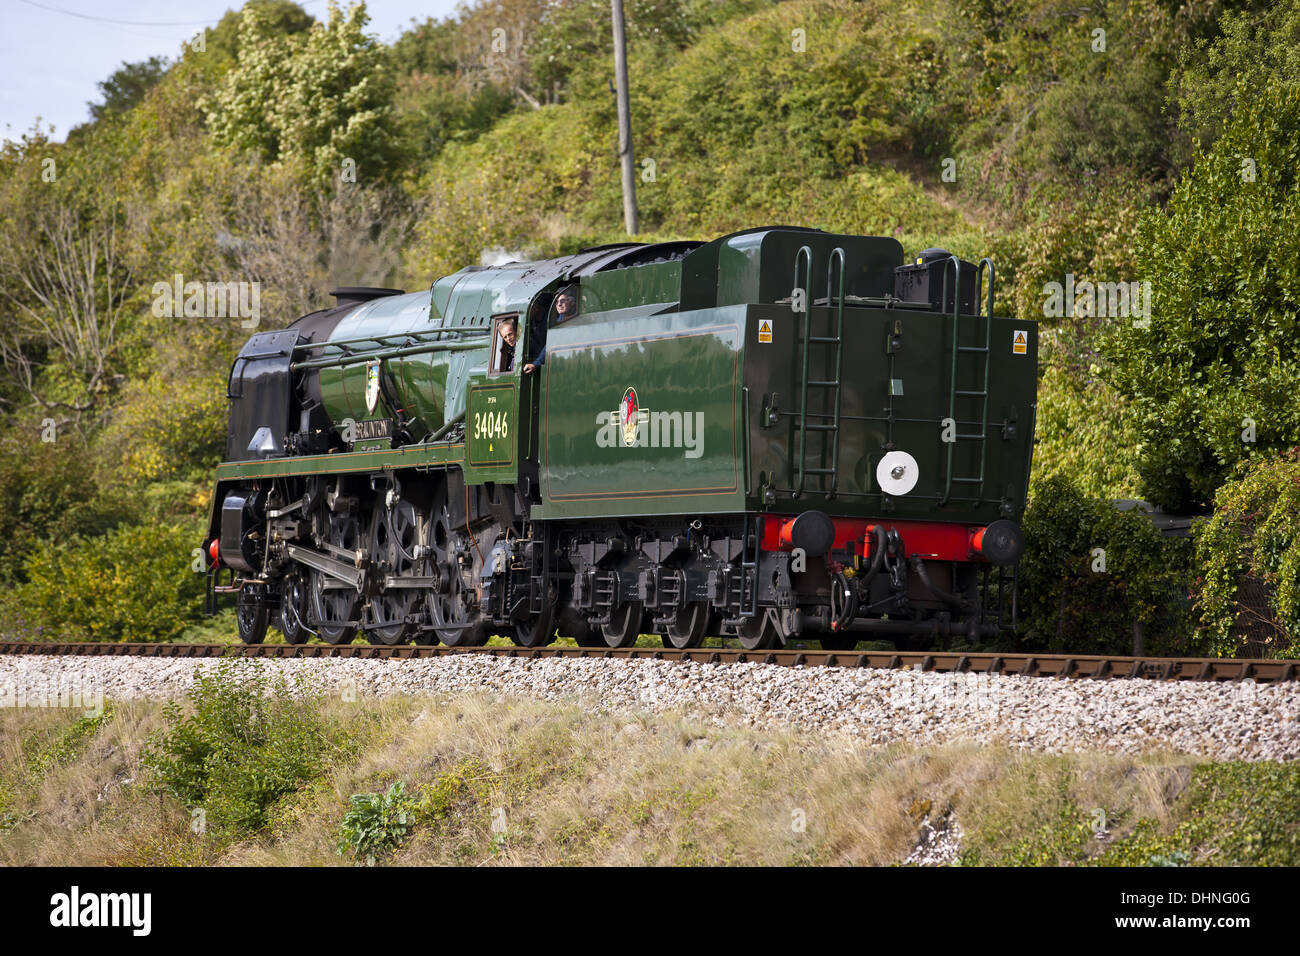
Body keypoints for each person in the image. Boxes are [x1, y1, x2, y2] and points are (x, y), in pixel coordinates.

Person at [523, 288, 577, 374]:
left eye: (562, 301)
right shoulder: (558, 321)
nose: (559, 304)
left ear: (572, 302)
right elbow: (549, 345)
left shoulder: (577, 319)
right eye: (556, 302)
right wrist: (536, 364)